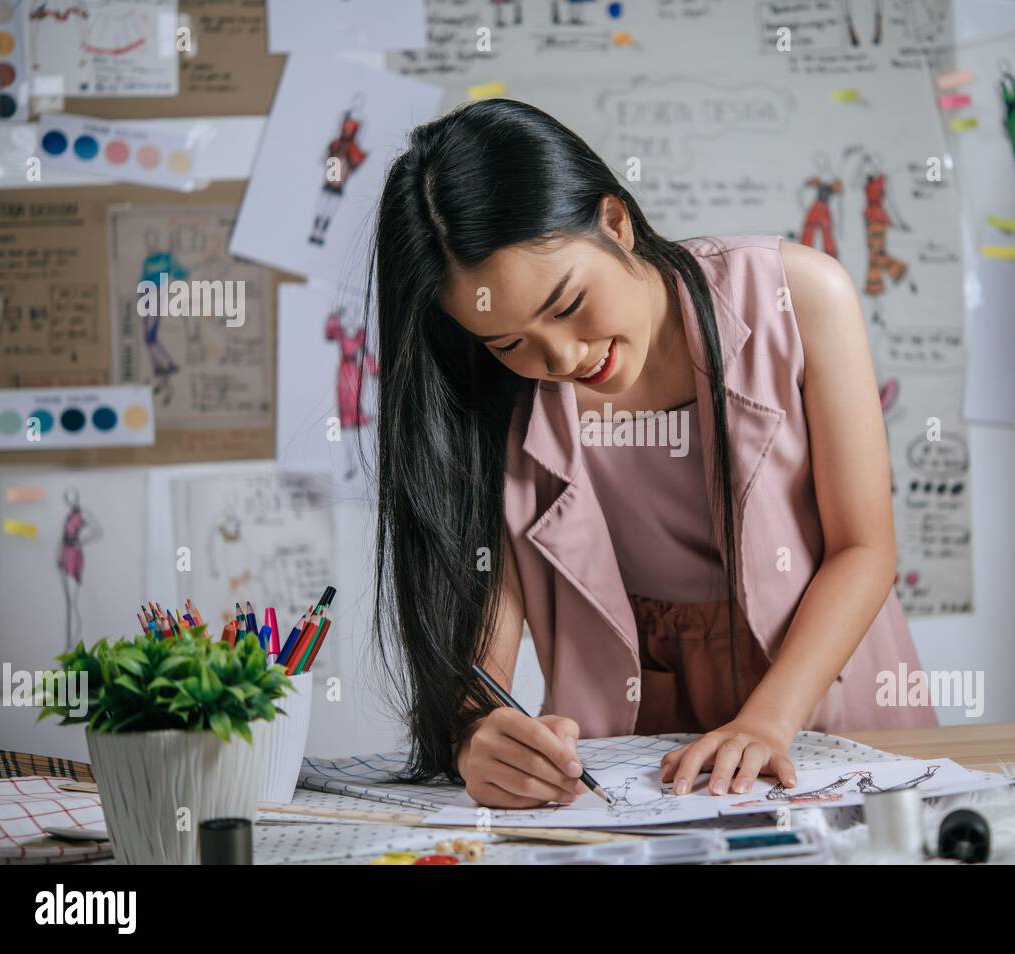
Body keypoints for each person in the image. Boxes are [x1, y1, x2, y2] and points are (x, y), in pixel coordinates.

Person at [368, 99, 935, 810]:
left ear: (615, 223)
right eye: (510, 342)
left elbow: (864, 549)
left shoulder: (800, 296)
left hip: (830, 710)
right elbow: (485, 664)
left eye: (568, 303)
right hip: (646, 768)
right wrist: (478, 737)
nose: (563, 358)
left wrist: (764, 722)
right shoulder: (498, 403)